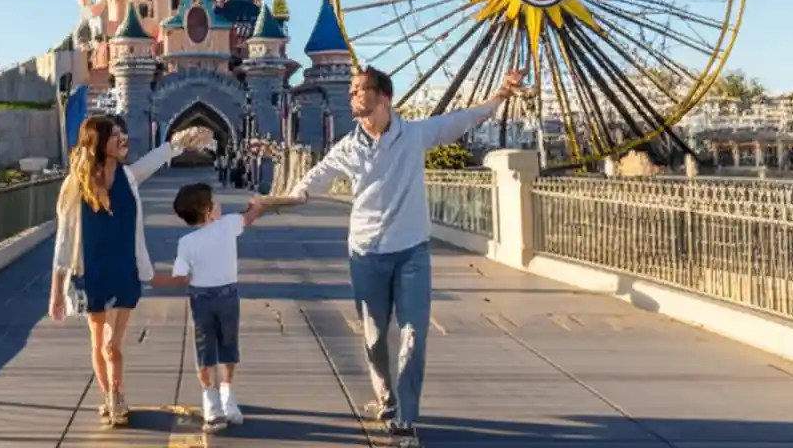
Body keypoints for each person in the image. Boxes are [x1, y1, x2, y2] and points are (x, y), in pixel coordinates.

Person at [252, 66, 523, 447]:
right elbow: (310, 184)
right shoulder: (348, 147)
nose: (352, 96)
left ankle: (406, 418)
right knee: (375, 336)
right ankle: (386, 397)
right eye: (351, 90)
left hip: (412, 251)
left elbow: (463, 119)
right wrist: (270, 204)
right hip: (366, 253)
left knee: (414, 333)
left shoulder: (415, 135)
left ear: (384, 97)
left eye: (359, 89)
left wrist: (501, 94)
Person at [49, 116, 213, 427]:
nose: (123, 138)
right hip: (91, 272)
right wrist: (56, 290)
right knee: (98, 341)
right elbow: (65, 238)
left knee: (113, 345)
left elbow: (152, 162)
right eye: (115, 135)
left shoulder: (127, 176)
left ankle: (117, 396)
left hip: (124, 269)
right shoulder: (76, 184)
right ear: (100, 143)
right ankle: (109, 396)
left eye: (122, 133)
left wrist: (179, 141)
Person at [153, 183, 266, 432]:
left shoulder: (187, 242)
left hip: (201, 298)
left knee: (205, 348)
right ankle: (227, 396)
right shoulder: (228, 225)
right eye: (214, 202)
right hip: (227, 296)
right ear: (206, 209)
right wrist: (257, 204)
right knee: (228, 345)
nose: (219, 205)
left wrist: (155, 280)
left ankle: (212, 401)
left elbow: (181, 277)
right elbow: (251, 216)